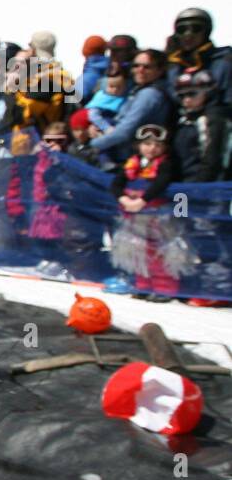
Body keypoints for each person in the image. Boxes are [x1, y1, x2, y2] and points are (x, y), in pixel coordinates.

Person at [109, 126, 195, 299]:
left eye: (157, 145)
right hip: (137, 217)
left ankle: (164, 288)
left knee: (162, 251)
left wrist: (142, 201)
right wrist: (123, 199)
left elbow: (161, 182)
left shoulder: (166, 164)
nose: (152, 148)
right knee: (139, 249)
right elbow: (116, 183)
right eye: (147, 144)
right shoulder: (132, 163)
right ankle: (143, 285)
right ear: (138, 145)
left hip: (160, 216)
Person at [90, 49, 174, 166]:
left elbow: (125, 131)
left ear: (160, 70)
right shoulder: (137, 89)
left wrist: (93, 145)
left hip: (129, 160)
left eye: (147, 67)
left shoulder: (149, 95)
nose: (140, 70)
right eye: (136, 66)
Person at [166, 8, 231, 108]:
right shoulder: (173, 66)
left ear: (207, 31)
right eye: (182, 29)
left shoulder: (225, 61)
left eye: (196, 28)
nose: (188, 34)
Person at [171, 69, 228, 182]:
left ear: (206, 93)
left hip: (202, 185)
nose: (186, 100)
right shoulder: (182, 119)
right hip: (181, 181)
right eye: (181, 95)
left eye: (192, 94)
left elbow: (212, 157)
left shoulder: (210, 120)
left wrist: (199, 184)